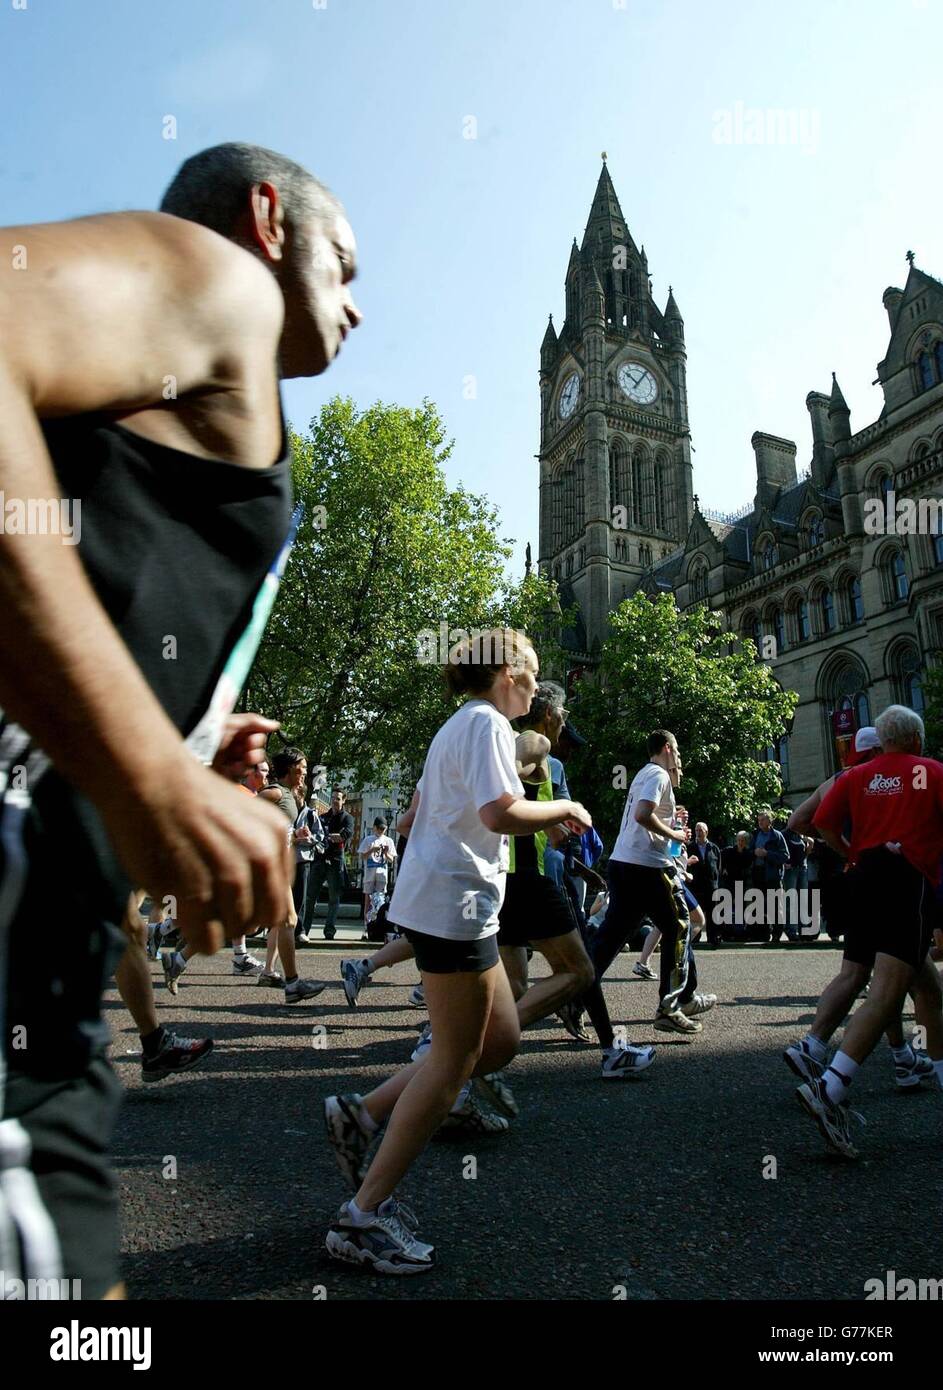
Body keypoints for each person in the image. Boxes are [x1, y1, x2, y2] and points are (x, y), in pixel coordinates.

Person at [0, 140, 360, 1297]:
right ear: (268, 217)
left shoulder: (201, 366)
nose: (359, 302)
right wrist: (145, 765)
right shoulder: (221, 281)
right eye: (345, 263)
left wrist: (192, 745)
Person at [322, 628, 592, 1273]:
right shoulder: (488, 725)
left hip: (462, 905)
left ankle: (362, 1113)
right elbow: (499, 814)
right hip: (453, 906)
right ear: (505, 673)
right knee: (452, 1062)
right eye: (529, 669)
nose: (535, 680)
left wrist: (538, 811)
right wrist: (565, 803)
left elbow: (479, 810)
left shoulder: (469, 723)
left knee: (496, 1042)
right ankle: (362, 1218)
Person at [795, 706, 943, 1159]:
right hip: (907, 882)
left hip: (864, 881)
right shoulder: (930, 770)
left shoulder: (855, 777)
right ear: (915, 739)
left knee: (930, 992)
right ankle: (830, 1086)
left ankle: (925, 1072)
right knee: (885, 996)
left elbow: (817, 822)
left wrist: (852, 852)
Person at [577, 731, 714, 1038]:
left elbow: (647, 818)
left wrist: (672, 825)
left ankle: (574, 997)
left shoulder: (642, 775)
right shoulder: (658, 774)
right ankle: (670, 1006)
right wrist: (676, 834)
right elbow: (643, 815)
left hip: (624, 863)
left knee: (612, 936)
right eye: (676, 750)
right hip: (646, 867)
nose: (678, 758)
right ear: (667, 748)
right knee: (680, 926)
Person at [307, 788, 355, 940]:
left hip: (335, 861)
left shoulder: (348, 818)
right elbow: (317, 834)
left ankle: (329, 930)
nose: (335, 801)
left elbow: (346, 834)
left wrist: (338, 837)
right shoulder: (323, 817)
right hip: (320, 860)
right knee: (310, 896)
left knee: (334, 898)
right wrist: (330, 837)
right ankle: (304, 928)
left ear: (343, 800)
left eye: (338, 798)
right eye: (333, 798)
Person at [750, 808, 790, 943]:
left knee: (774, 906)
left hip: (772, 875)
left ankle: (777, 934)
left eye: (762, 820)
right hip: (758, 873)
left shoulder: (777, 835)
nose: (760, 822)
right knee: (759, 905)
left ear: (769, 821)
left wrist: (767, 854)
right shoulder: (755, 835)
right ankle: (763, 933)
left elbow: (785, 856)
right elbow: (749, 852)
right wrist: (754, 853)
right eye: (758, 820)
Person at [687, 821, 722, 945]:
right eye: (696, 830)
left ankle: (713, 938)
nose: (698, 833)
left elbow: (718, 868)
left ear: (706, 832)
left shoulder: (714, 848)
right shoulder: (690, 847)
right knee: (696, 914)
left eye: (700, 830)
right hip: (696, 887)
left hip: (711, 887)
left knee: (713, 913)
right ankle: (695, 938)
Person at [358, 817, 397, 924]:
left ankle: (378, 925)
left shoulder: (388, 841)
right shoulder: (368, 839)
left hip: (381, 874)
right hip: (370, 874)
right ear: (374, 827)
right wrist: (371, 850)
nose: (381, 831)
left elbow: (391, 859)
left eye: (383, 829)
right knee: (368, 900)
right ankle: (366, 926)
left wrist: (385, 853)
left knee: (380, 900)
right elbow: (362, 856)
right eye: (379, 828)